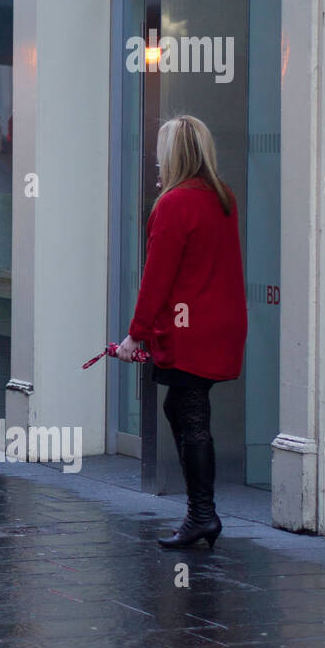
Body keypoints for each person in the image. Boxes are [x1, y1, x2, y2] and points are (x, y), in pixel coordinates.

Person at [116, 115, 247, 551]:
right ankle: (201, 513)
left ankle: (203, 516)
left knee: (190, 412)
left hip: (191, 328)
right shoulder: (222, 197)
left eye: (160, 150)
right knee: (185, 408)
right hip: (219, 322)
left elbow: (157, 277)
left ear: (172, 155)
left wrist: (136, 334)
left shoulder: (174, 204)